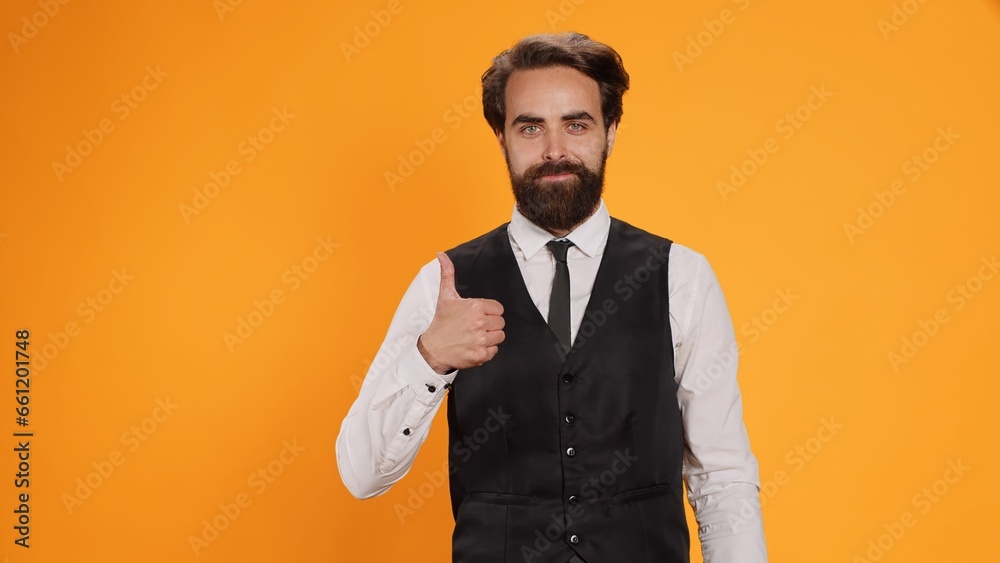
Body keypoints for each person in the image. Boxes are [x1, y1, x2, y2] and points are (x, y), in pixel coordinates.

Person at [336, 32, 768, 563]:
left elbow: (721, 477)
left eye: (577, 124)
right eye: (530, 127)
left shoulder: (681, 276)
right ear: (501, 138)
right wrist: (428, 359)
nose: (555, 150)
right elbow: (361, 475)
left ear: (610, 132)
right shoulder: (445, 282)